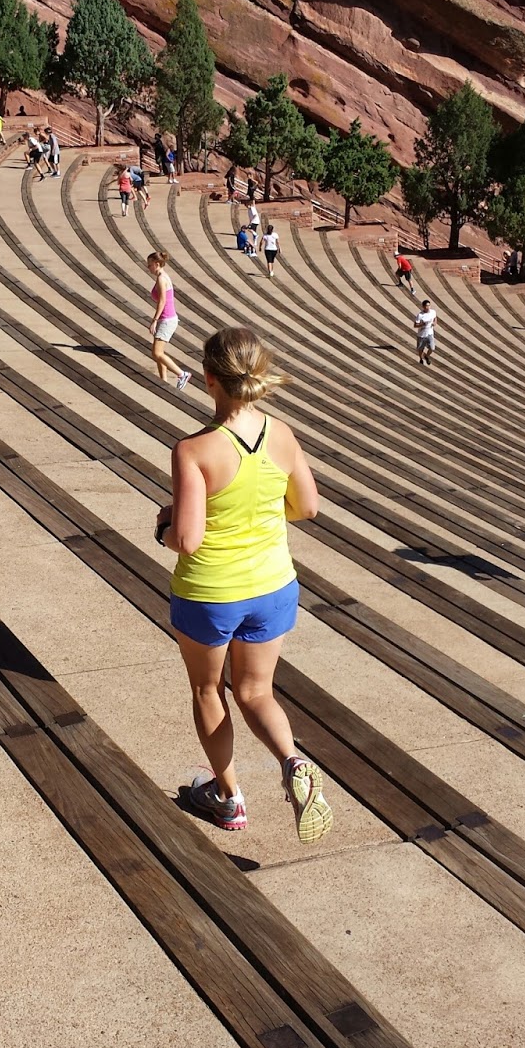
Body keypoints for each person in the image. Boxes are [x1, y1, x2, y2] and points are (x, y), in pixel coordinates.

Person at [156, 327, 332, 843]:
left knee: (209, 689)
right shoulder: (282, 433)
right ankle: (294, 762)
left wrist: (164, 525)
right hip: (274, 586)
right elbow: (308, 507)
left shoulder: (194, 449)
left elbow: (187, 539)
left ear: (210, 379)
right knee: (257, 691)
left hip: (211, 593)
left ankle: (228, 798)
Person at [144, 251, 192, 389]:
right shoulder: (162, 276)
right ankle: (163, 381)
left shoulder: (161, 279)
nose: (148, 268)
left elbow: (162, 301)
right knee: (159, 353)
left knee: (156, 353)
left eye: (150, 265)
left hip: (166, 319)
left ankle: (182, 374)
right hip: (166, 319)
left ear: (157, 264)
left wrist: (154, 320)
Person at [413, 299, 437, 366]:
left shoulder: (433, 312)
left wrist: (434, 323)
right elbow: (415, 325)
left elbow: (435, 318)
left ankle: (426, 356)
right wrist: (422, 324)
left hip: (430, 333)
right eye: (426, 306)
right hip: (421, 335)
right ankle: (421, 358)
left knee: (432, 348)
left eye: (429, 306)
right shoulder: (420, 315)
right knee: (420, 349)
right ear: (423, 307)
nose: (428, 307)